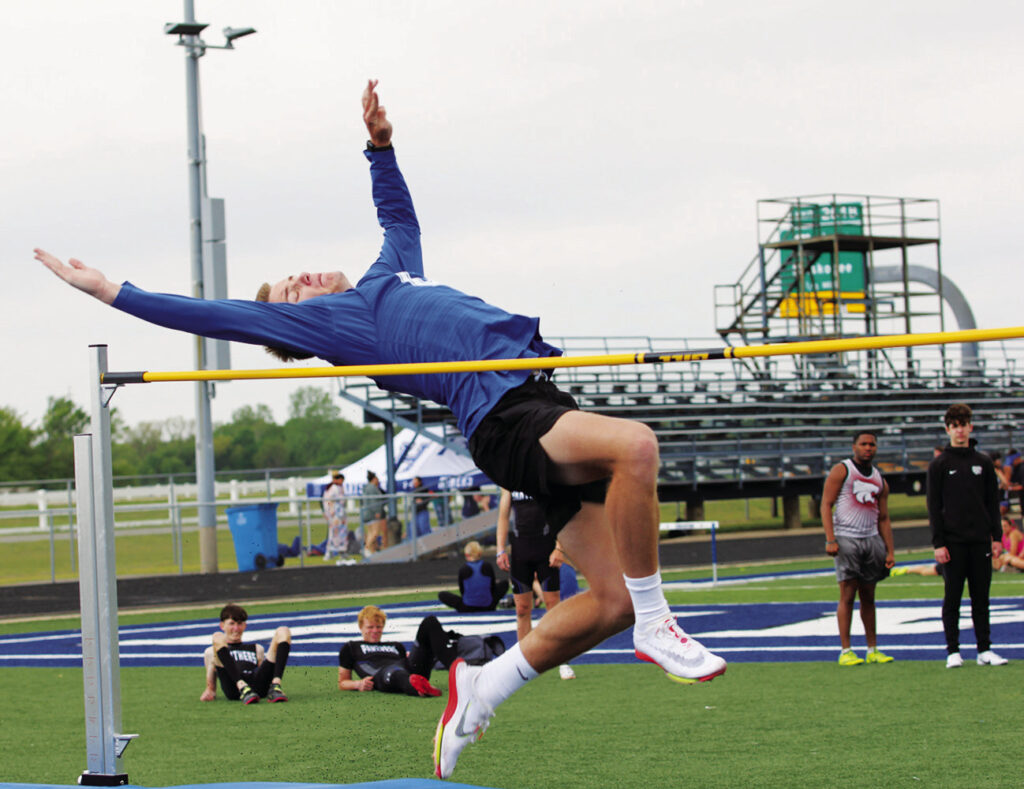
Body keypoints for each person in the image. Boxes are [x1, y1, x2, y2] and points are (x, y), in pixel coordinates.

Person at [36, 79, 727, 780]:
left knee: (603, 600)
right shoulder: (340, 325)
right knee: (636, 445)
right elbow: (219, 315)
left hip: (537, 395)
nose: (299, 278)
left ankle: (485, 685)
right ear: (300, 321)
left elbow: (398, 216)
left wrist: (379, 145)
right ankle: (656, 620)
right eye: (291, 290)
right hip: (507, 417)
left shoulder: (390, 273)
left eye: (295, 277)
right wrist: (112, 292)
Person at [927, 403, 1008, 668]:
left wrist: (996, 538)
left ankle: (984, 650)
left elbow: (992, 504)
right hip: (952, 542)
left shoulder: (983, 462)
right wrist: (938, 543)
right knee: (952, 597)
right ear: (947, 429)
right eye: (954, 426)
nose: (959, 431)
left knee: (981, 597)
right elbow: (933, 506)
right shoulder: (939, 464)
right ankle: (953, 651)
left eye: (963, 425)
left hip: (980, 541)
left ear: (970, 427)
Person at [820, 430, 896, 666]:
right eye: (863, 444)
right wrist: (830, 538)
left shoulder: (879, 479)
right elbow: (826, 503)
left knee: (869, 596)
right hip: (846, 538)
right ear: (854, 446)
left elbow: (883, 517)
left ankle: (872, 648)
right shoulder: (842, 470)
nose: (868, 448)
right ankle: (846, 650)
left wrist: (890, 550)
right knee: (847, 594)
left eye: (872, 444)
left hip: (871, 538)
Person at [496, 488, 575, 679]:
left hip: (546, 549)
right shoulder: (510, 480)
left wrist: (559, 548)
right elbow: (503, 517)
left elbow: (562, 514)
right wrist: (500, 550)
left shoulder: (543, 477)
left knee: (553, 607)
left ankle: (561, 660)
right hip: (520, 551)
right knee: (522, 609)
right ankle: (523, 664)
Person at [338, 605, 441, 697]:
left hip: (405, 668)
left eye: (378, 627)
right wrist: (358, 684)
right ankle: (419, 689)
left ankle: (450, 665)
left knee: (429, 622)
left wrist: (413, 657)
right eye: (370, 627)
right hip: (381, 675)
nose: (375, 631)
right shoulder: (351, 647)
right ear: (361, 627)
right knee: (395, 671)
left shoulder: (396, 645)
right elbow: (342, 682)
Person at [200, 603, 291, 704]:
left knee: (283, 630)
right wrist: (210, 690)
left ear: (244, 626)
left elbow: (263, 672)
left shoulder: (257, 648)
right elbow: (210, 688)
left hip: (256, 686)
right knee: (217, 636)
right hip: (234, 688)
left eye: (239, 623)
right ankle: (242, 687)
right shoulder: (211, 651)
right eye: (232, 623)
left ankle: (276, 686)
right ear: (222, 625)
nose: (236, 628)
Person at [438, 540, 509, 612]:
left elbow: (462, 591)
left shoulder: (463, 569)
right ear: (480, 553)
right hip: (488, 606)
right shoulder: (487, 566)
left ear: (466, 555)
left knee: (442, 595)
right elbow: (492, 587)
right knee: (505, 583)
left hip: (467, 607)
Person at [322, 470, 349, 559]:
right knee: (333, 533)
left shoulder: (340, 488)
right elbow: (328, 501)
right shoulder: (333, 488)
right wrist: (330, 511)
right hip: (335, 515)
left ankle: (342, 551)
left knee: (342, 534)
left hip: (341, 515)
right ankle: (329, 553)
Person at [361, 471, 387, 554]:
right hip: (372, 514)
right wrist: (377, 511)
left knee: (370, 533)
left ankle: (371, 551)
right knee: (375, 532)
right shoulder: (372, 488)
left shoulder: (366, 488)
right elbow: (373, 501)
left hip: (367, 513)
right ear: (374, 479)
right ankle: (366, 548)